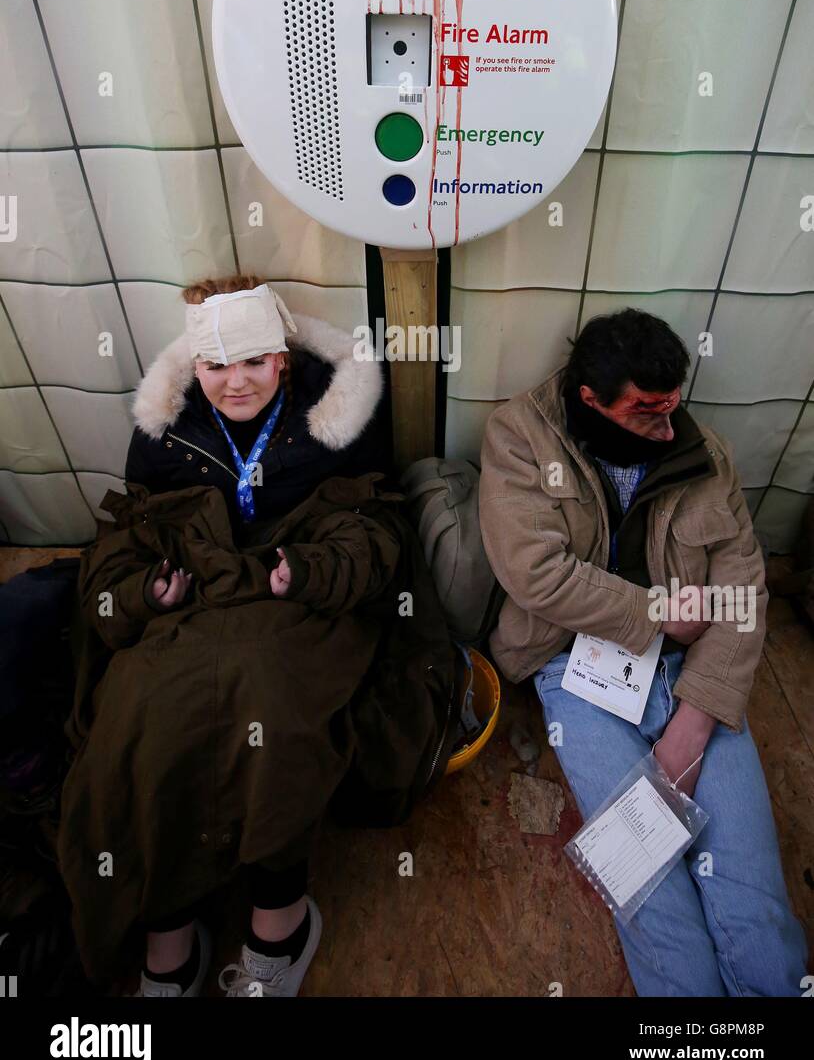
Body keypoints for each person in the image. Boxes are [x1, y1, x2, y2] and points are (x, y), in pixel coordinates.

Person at [57, 276, 460, 997]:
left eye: (253, 362)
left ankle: (281, 922)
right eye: (216, 366)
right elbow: (124, 540)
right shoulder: (166, 429)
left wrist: (308, 569)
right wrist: (144, 593)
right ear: (193, 364)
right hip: (192, 604)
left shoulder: (331, 417)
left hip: (297, 604)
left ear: (282, 357)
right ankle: (168, 929)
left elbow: (375, 531)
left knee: (268, 714)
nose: (235, 382)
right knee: (139, 719)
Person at [479, 308, 808, 997]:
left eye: (671, 411)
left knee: (754, 896)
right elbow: (536, 574)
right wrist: (658, 614)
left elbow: (743, 593)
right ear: (590, 400)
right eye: (645, 416)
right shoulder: (517, 436)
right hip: (577, 670)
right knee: (649, 887)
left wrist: (698, 716)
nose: (667, 432)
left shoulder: (702, 453)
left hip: (696, 669)